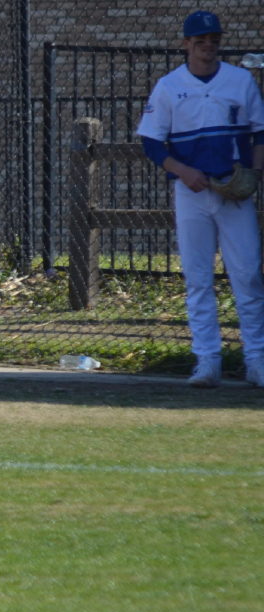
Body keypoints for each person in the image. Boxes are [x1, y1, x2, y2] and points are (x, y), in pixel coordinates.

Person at [137, 10, 264, 388]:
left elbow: (260, 133)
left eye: (213, 39)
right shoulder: (168, 85)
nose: (208, 45)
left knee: (248, 275)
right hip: (191, 192)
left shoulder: (240, 81)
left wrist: (254, 175)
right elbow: (151, 141)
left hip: (233, 192)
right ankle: (207, 361)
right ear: (186, 44)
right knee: (197, 278)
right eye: (200, 40)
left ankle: (256, 361)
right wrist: (181, 169)